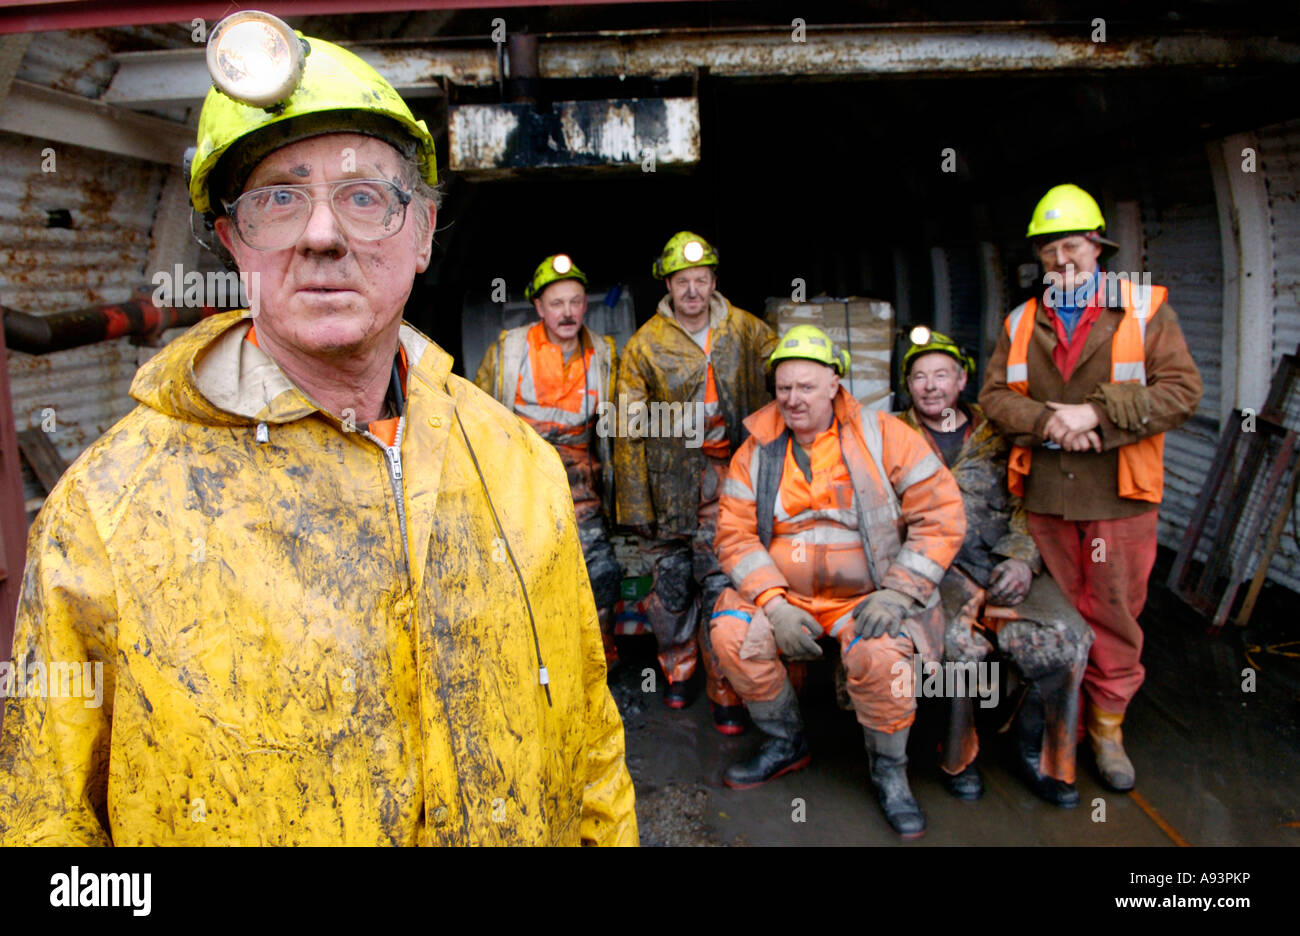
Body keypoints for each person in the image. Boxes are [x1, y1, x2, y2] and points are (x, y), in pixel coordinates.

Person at [0, 14, 636, 846]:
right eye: (278, 199)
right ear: (233, 243)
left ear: (421, 236)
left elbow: (588, 736)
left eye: (365, 197)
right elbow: (45, 824)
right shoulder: (109, 511)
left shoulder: (514, 459)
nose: (324, 234)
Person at [979, 183, 1202, 792]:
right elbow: (994, 397)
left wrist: (1096, 415)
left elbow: (1182, 392)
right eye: (1049, 250)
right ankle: (1062, 724)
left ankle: (1107, 729)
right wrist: (1048, 419)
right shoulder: (1024, 320)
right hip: (1048, 495)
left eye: (1072, 246)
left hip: (1118, 495)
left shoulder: (1143, 310)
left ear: (1098, 247)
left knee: (1114, 611)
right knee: (1059, 614)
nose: (1061, 260)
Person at [711, 325, 966, 837]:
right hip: (785, 593)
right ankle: (787, 741)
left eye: (807, 386)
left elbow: (940, 514)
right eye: (784, 388)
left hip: (868, 596)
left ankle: (889, 772)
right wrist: (773, 602)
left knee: (880, 659)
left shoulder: (883, 435)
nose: (793, 399)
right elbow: (734, 535)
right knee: (731, 636)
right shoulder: (757, 448)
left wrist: (898, 592)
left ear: (835, 383)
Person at [897, 328, 1093, 808]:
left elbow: (1031, 499)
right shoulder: (889, 435)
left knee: (1068, 636)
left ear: (962, 379)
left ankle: (1037, 753)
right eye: (919, 376)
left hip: (1001, 560)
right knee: (958, 647)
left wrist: (1023, 558)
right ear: (908, 385)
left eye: (941, 374)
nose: (930, 386)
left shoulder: (999, 431)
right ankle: (957, 753)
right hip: (934, 568)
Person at [613, 231, 777, 734]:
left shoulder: (747, 332)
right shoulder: (646, 345)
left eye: (700, 281)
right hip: (667, 489)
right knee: (672, 590)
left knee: (721, 586)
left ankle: (725, 688)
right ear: (667, 284)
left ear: (713, 282)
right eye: (682, 282)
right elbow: (627, 429)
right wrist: (635, 505)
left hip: (726, 480)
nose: (691, 291)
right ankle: (678, 672)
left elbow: (787, 370)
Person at [475, 255, 623, 666]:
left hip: (581, 490)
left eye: (576, 302)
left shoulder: (604, 355)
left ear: (586, 306)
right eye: (557, 303)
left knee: (600, 579)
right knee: (526, 578)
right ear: (538, 307)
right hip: (520, 489)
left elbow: (618, 432)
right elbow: (478, 418)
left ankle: (598, 667)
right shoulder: (510, 350)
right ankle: (532, 668)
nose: (567, 312)